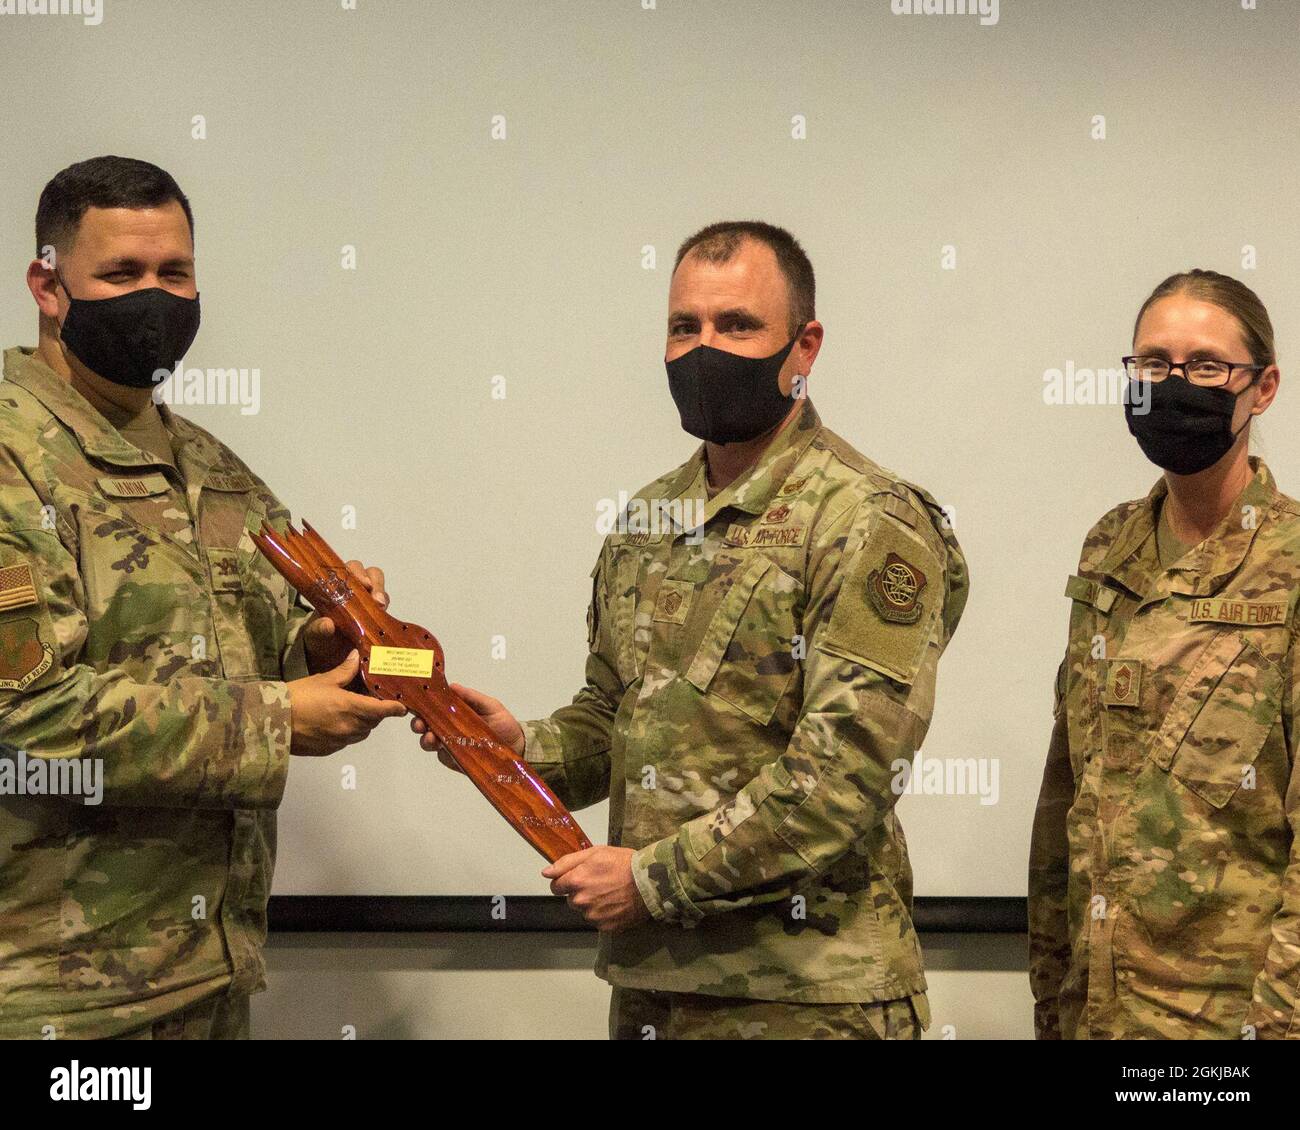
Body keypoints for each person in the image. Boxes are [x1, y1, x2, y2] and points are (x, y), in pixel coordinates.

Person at [415, 221, 969, 1039]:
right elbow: (613, 721)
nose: (705, 349)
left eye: (737, 325)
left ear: (804, 345)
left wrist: (652, 880)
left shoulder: (869, 517)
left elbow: (845, 772)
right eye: (686, 327)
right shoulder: (649, 518)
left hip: (810, 995)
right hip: (656, 990)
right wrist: (511, 749)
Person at [0, 156, 405, 1040]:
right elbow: (23, 716)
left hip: (208, 977)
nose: (156, 295)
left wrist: (334, 640)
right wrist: (273, 720)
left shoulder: (209, 465)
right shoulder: (10, 455)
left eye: (173, 273)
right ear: (48, 284)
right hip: (55, 998)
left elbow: (266, 637)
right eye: (122, 274)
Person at [1029, 269, 1299, 1039]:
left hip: (1229, 1030)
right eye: (1153, 365)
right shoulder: (1111, 547)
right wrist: (1052, 1002)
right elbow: (1066, 794)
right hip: (1098, 1014)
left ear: (1264, 386)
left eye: (1207, 367)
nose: (1175, 385)